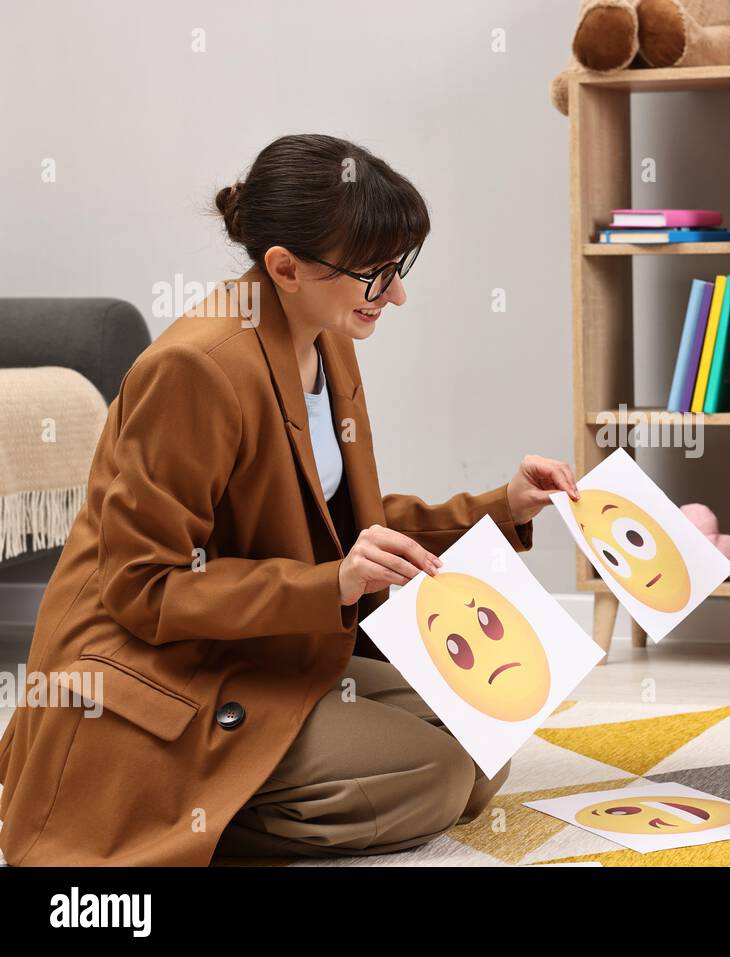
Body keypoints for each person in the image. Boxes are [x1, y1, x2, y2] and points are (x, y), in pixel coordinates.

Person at [0, 133, 579, 866]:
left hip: (252, 641)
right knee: (435, 777)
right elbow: (142, 590)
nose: (396, 293)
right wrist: (328, 583)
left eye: (399, 267)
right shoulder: (195, 370)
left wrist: (507, 503)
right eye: (374, 273)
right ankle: (169, 815)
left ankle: (222, 794)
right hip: (149, 666)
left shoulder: (325, 336)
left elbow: (350, 529)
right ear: (285, 267)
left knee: (482, 743)